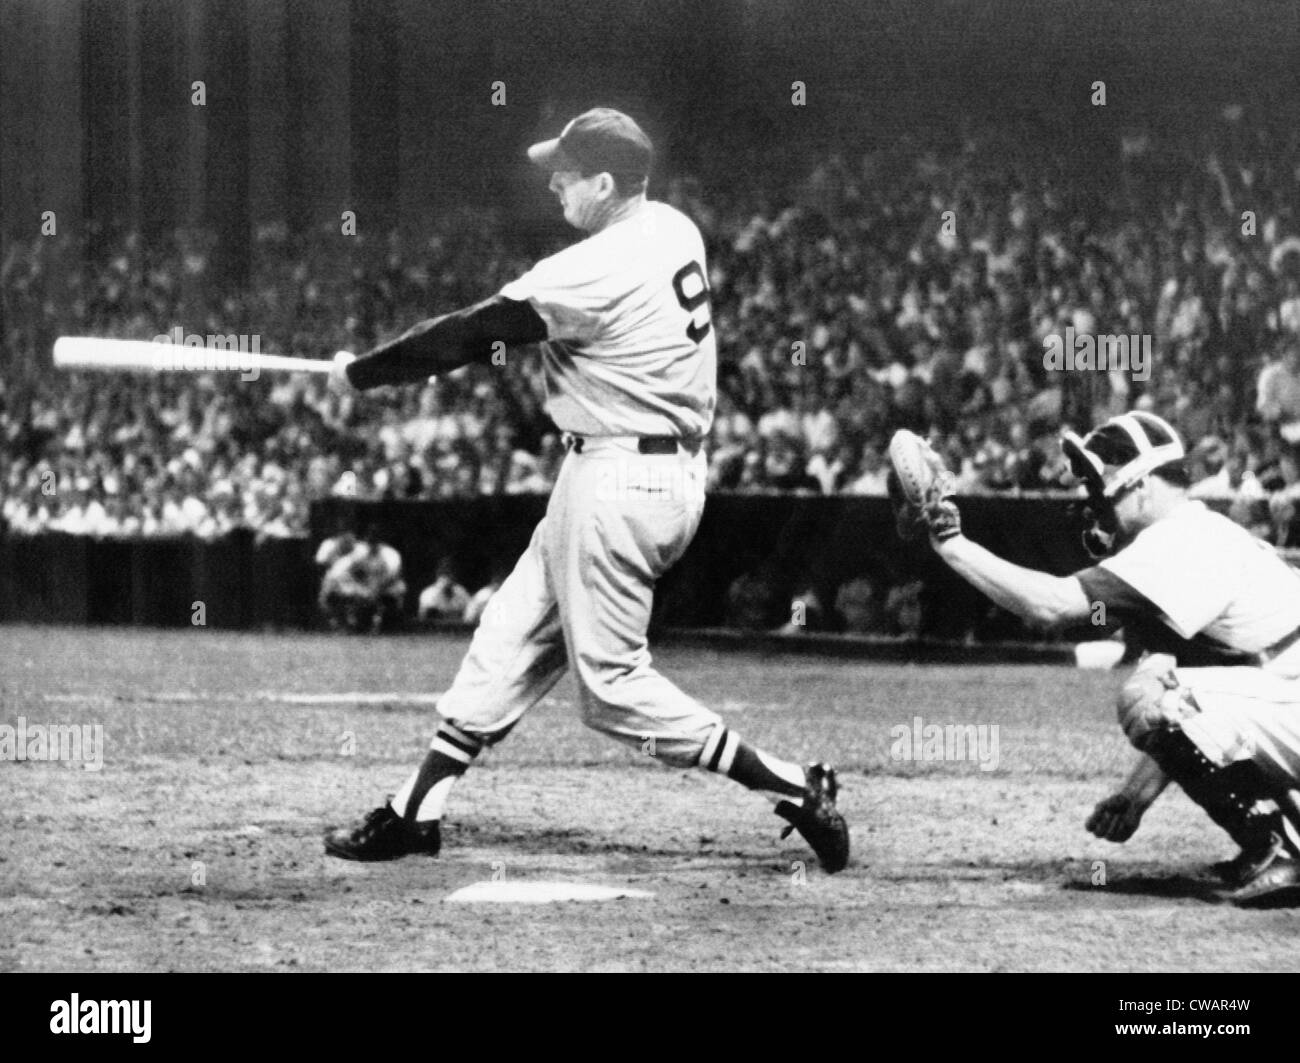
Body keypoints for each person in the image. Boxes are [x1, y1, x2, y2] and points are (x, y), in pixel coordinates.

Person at [321, 108, 848, 872]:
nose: (553, 180)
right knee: (509, 630)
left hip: (621, 479)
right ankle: (416, 811)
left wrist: (364, 371)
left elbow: (473, 332)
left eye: (567, 171)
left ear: (606, 182)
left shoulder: (597, 265)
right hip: (626, 469)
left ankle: (798, 787)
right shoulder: (672, 226)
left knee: (610, 687)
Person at [894, 411, 1300, 906]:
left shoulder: (1179, 541)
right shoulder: (1194, 531)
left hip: (1289, 700)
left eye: (1102, 485)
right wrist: (1136, 797)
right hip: (1284, 702)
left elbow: (1050, 606)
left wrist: (953, 547)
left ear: (1146, 486)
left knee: (1148, 694)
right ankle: (1277, 844)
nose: (1094, 499)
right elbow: (1210, 691)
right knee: (1159, 682)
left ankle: (1275, 848)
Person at [319, 525, 406, 633]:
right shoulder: (360, 552)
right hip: (364, 586)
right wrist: (358, 586)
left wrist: (375, 589)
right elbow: (340, 570)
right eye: (369, 542)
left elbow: (392, 576)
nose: (371, 545)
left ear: (380, 543)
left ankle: (387, 624)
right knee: (337, 588)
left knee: (398, 589)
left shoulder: (390, 554)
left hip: (386, 586)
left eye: (375, 542)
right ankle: (349, 624)